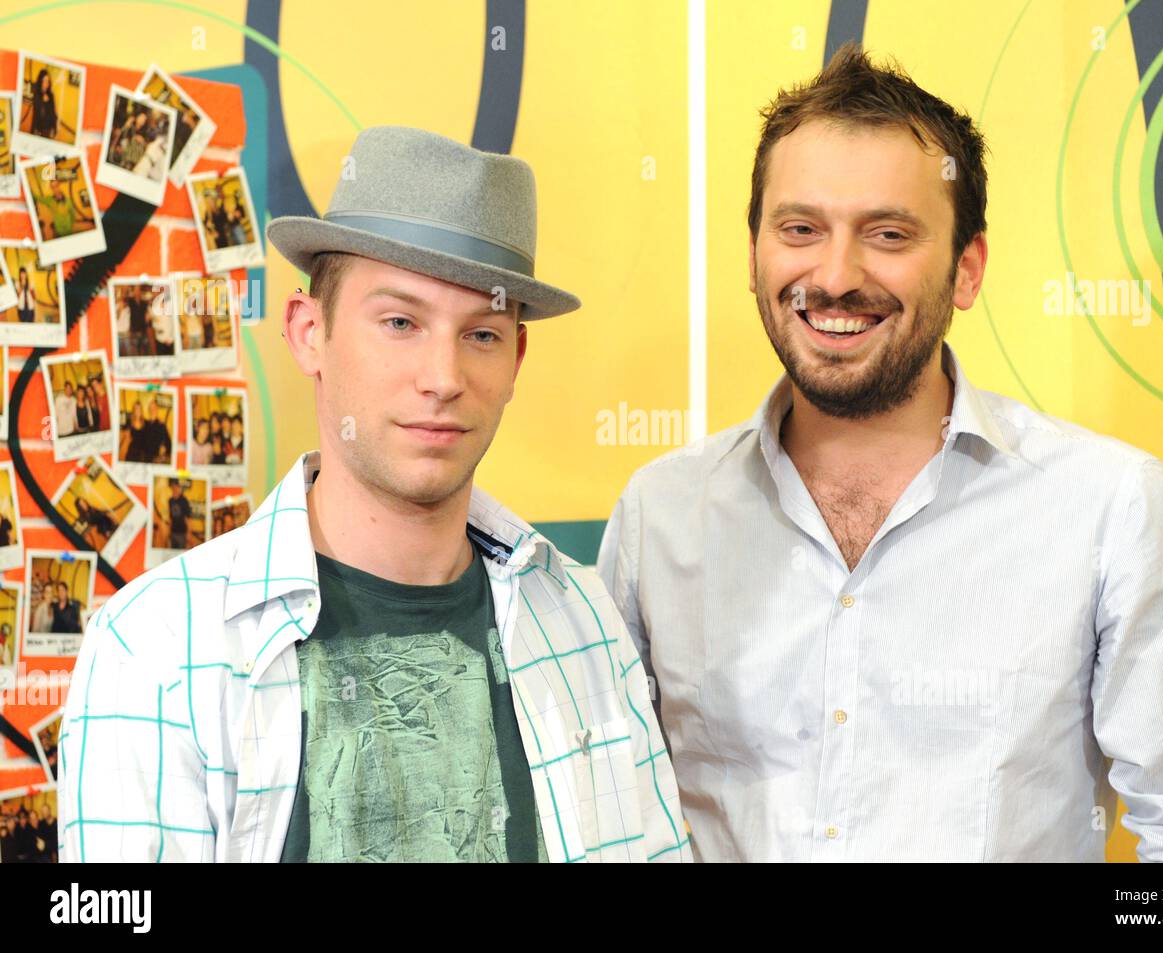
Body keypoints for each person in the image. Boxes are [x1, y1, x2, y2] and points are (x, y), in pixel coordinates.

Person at [597, 46, 1163, 863]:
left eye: (887, 233)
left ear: (967, 268)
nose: (835, 276)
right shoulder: (658, 515)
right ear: (754, 254)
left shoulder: (1113, 509)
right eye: (800, 229)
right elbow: (608, 819)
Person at [59, 126, 688, 863]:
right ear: (308, 332)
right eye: (400, 322)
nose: (442, 375)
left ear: (516, 358)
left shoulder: (584, 623)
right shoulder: (158, 649)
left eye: (481, 334)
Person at [29, 69, 58, 140]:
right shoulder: (36, 94)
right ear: (40, 81)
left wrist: (54, 128)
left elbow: (53, 113)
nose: (46, 83)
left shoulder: (51, 95)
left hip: (47, 131)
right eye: (44, 81)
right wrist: (43, 101)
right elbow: (38, 111)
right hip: (37, 130)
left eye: (48, 81)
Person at [165, 479, 191, 551]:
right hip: (173, 532)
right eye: (173, 487)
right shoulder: (170, 500)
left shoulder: (184, 500)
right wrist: (169, 533)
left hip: (182, 533)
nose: (174, 488)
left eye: (176, 486)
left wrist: (188, 534)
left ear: (179, 487)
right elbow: (170, 518)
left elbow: (188, 518)